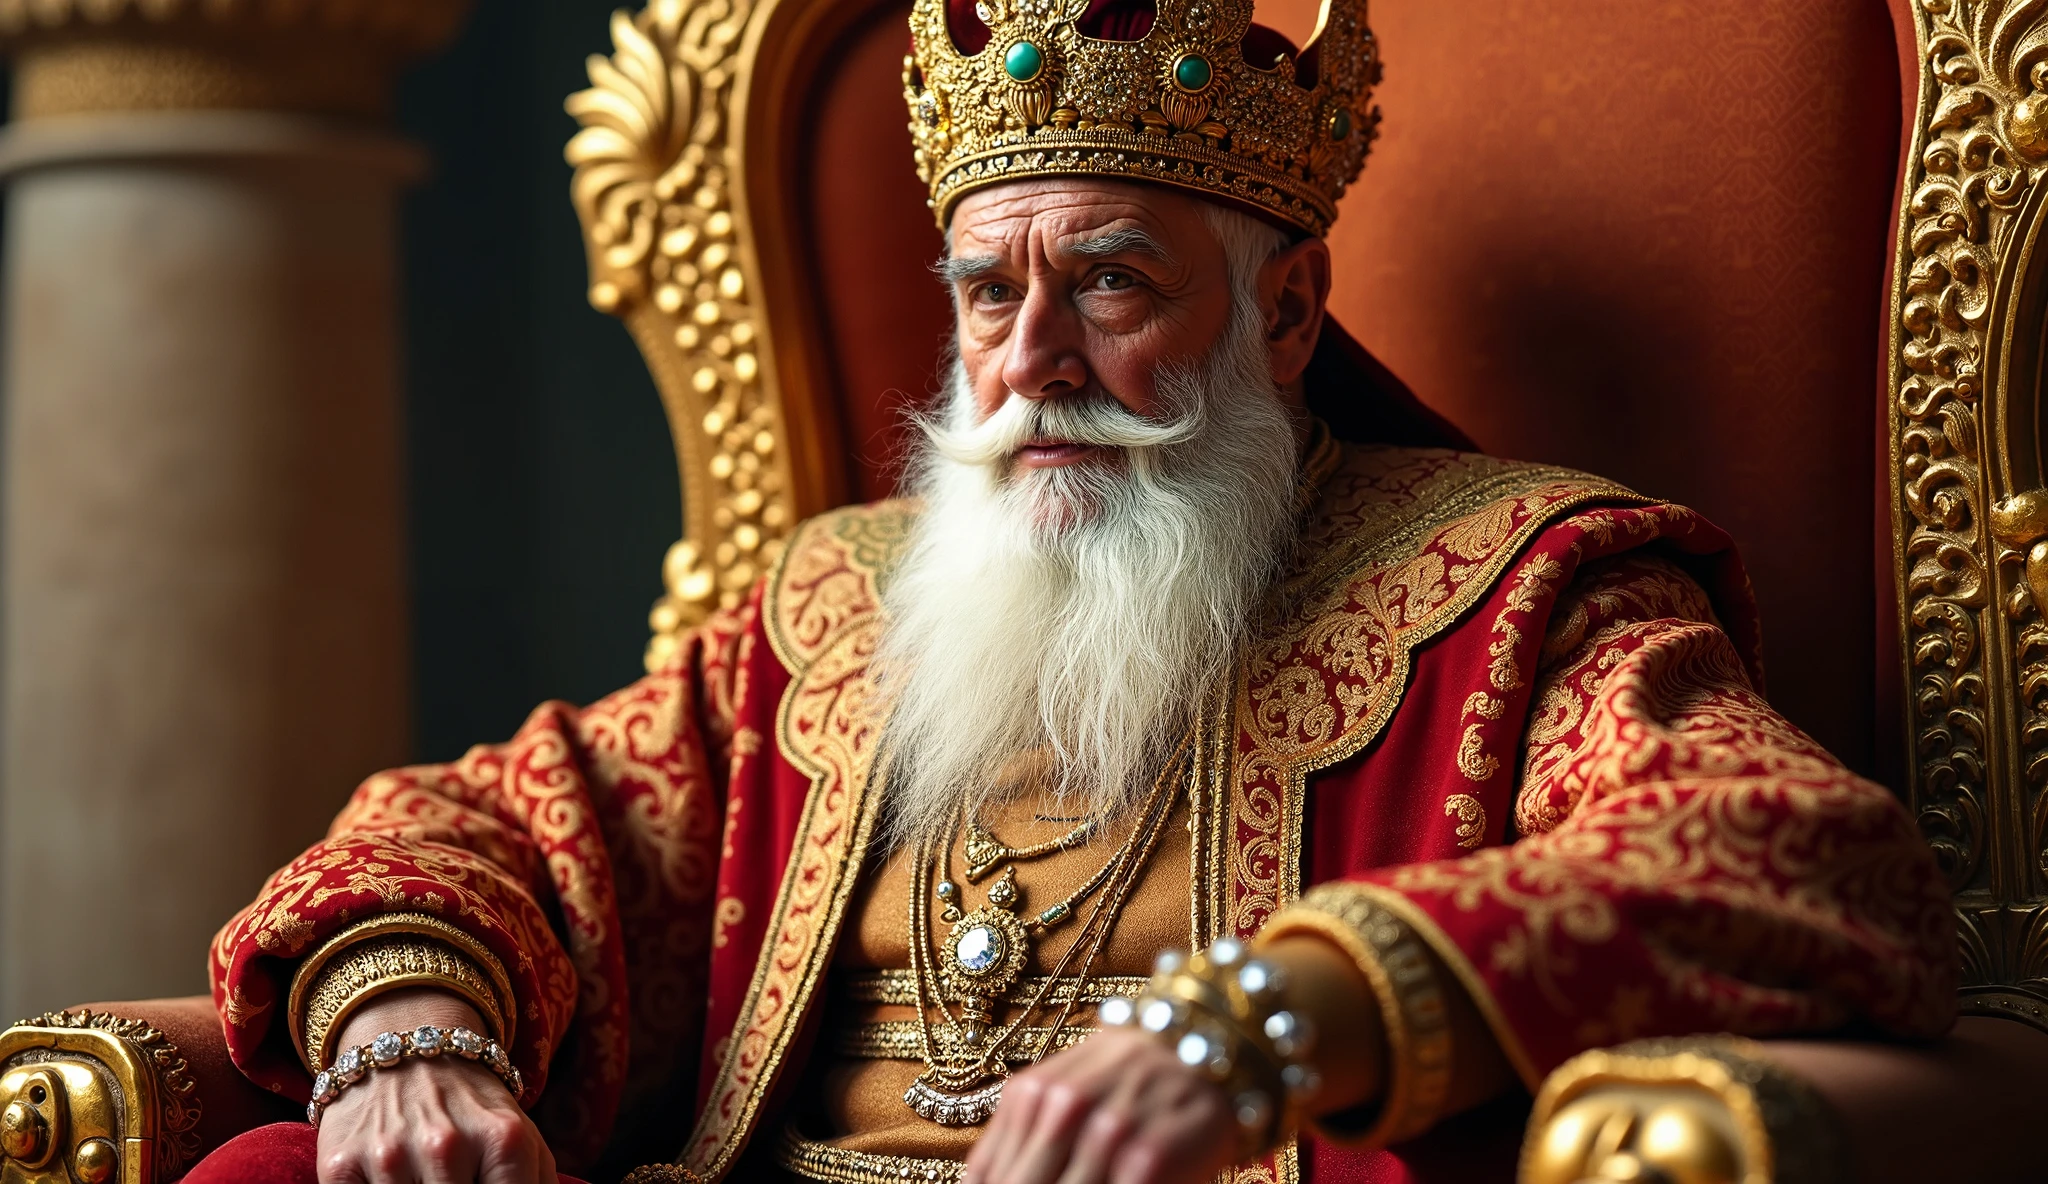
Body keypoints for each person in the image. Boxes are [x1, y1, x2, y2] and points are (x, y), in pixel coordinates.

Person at [184, 0, 1956, 1179]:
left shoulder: (1520, 592)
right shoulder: (829, 611)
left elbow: (1799, 860)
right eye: (984, 294)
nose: (1030, 362)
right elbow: (499, 822)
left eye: (1111, 282)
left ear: (1283, 313)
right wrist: (409, 1030)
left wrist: (1278, 1018)